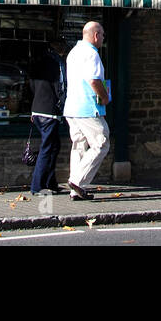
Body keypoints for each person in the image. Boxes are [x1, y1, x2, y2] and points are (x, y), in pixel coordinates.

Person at [63, 21, 109, 200]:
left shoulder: (73, 53)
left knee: (79, 146)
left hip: (71, 107)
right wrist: (104, 97)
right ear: (96, 35)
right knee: (102, 141)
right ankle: (77, 180)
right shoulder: (91, 54)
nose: (103, 39)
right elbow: (94, 80)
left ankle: (76, 191)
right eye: (102, 35)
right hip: (88, 107)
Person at [27, 37, 68, 196]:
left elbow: (31, 84)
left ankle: (50, 182)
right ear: (60, 49)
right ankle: (37, 186)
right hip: (49, 111)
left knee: (54, 146)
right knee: (47, 148)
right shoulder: (57, 63)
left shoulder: (38, 62)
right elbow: (61, 86)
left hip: (37, 110)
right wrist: (63, 104)